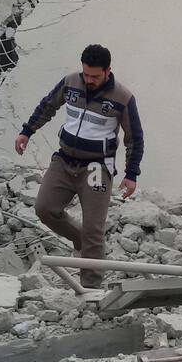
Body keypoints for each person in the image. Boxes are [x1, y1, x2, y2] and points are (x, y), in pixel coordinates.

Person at [14, 44, 144, 290]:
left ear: (107, 71)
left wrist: (131, 174)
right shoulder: (71, 82)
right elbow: (48, 105)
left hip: (96, 168)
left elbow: (134, 137)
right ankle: (81, 241)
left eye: (95, 76)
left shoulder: (122, 98)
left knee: (94, 228)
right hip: (63, 161)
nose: (89, 80)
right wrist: (27, 131)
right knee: (45, 208)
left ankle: (91, 290)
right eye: (86, 74)